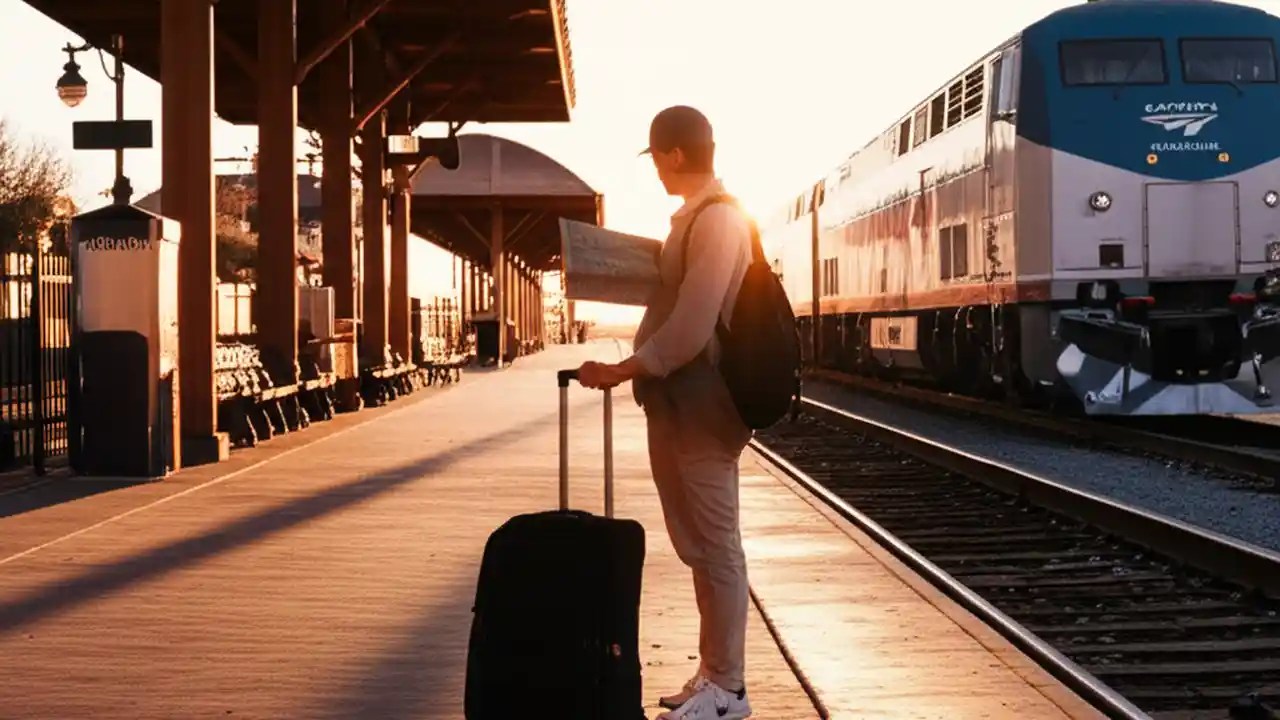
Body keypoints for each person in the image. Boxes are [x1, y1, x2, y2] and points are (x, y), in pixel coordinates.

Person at [576, 105, 754, 720]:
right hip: (677, 405)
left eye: (655, 156)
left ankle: (729, 689)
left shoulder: (721, 221)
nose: (653, 168)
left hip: (704, 406)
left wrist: (621, 369)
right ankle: (711, 673)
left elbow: (691, 328)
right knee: (698, 546)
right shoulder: (695, 219)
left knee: (717, 543)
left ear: (675, 153)